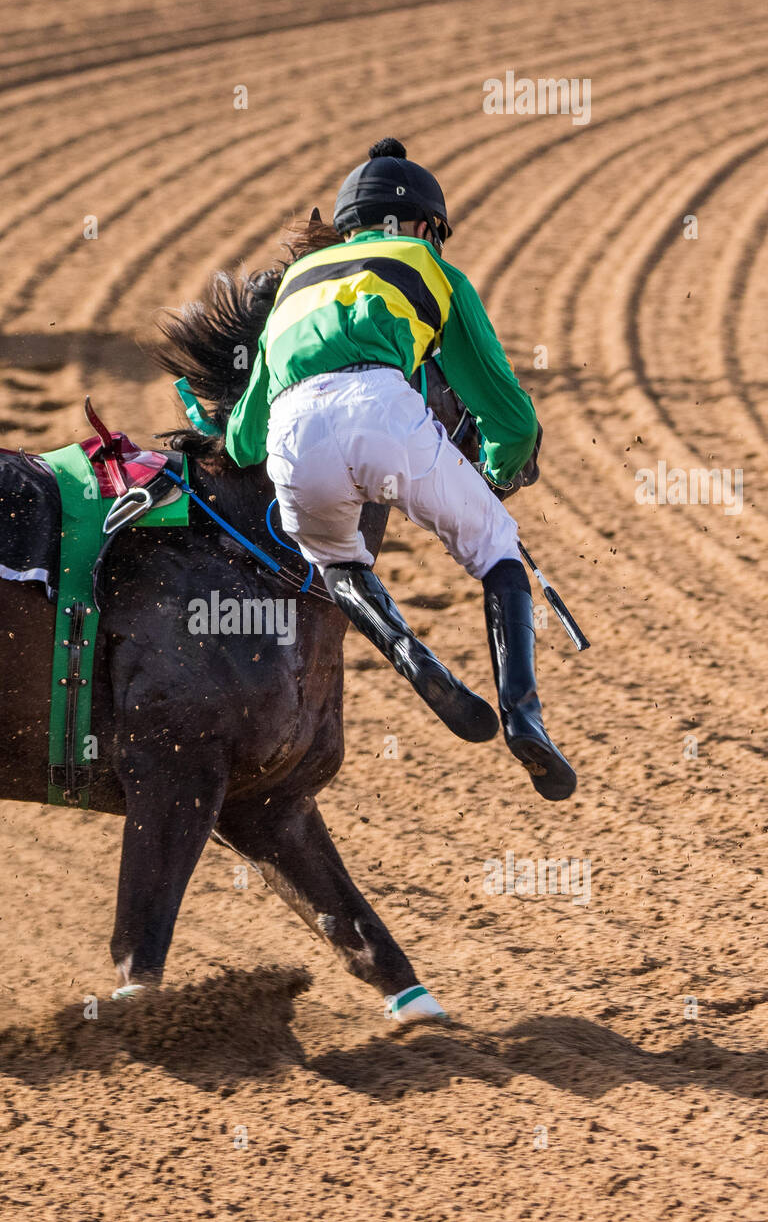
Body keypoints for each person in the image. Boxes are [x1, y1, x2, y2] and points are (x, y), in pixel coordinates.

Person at [224, 138, 574, 801]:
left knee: (336, 562)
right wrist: (496, 478)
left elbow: (243, 439)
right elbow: (509, 416)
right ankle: (523, 716)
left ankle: (409, 652)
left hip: (291, 440)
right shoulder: (425, 265)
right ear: (420, 227)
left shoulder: (297, 284)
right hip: (383, 412)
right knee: (495, 547)